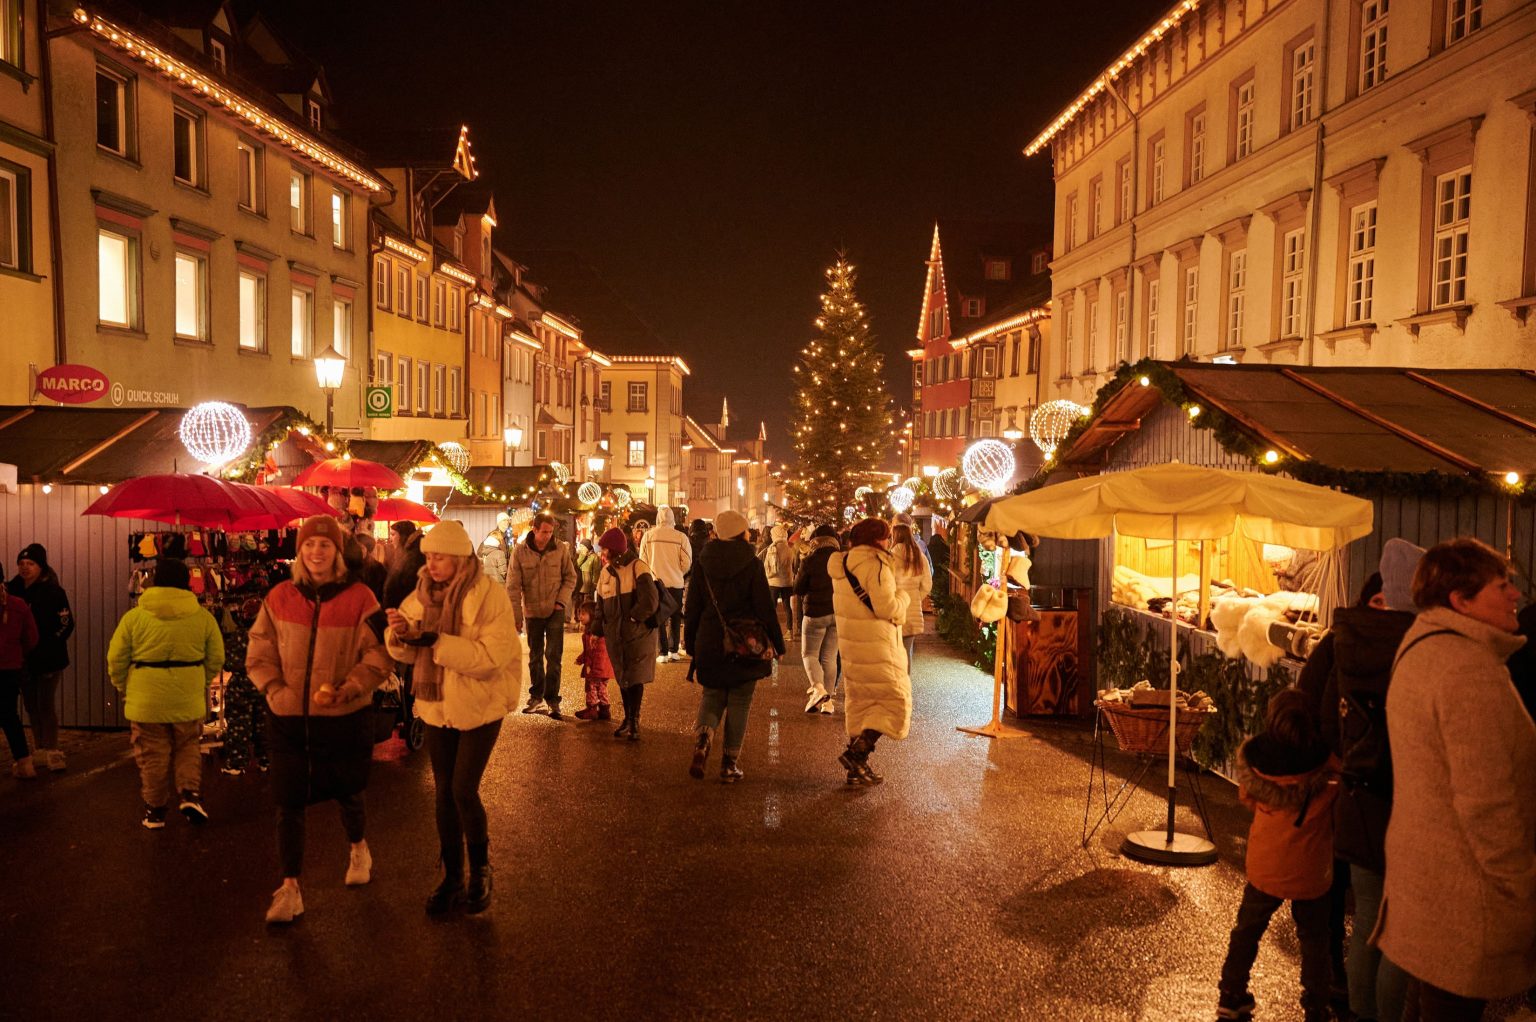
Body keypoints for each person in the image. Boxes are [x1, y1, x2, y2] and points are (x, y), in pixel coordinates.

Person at [1378, 537, 1535, 1018]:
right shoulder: (1469, 671)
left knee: (1423, 1004)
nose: (1515, 595)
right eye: (1501, 586)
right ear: (1460, 601)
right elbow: (1487, 806)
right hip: (1466, 900)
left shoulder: (1423, 644)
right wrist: (1524, 889)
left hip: (1425, 884)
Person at [246, 515, 392, 926]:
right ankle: (290, 887)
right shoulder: (279, 597)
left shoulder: (361, 597)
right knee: (287, 802)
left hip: (342, 715)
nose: (316, 552)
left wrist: (352, 687)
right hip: (287, 717)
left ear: (337, 552)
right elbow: (259, 647)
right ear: (300, 550)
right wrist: (273, 688)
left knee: (349, 791)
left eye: (325, 545)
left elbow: (380, 653)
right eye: (310, 545)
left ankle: (358, 846)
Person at [1295, 557, 1418, 1022]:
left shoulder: (1354, 643)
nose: (1383, 610)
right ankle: (1338, 989)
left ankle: (1342, 991)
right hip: (1359, 793)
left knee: (1364, 908)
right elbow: (1319, 709)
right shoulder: (1378, 648)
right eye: (1377, 600)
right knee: (1367, 912)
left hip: (1350, 792)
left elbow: (1317, 705)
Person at [385, 520, 521, 916]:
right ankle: (451, 875)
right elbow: (408, 650)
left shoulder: (489, 595)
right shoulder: (422, 592)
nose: (432, 563)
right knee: (443, 791)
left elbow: (493, 658)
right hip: (437, 702)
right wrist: (401, 635)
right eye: (428, 556)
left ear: (460, 557)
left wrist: (435, 642)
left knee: (463, 789)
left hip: (482, 703)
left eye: (439, 556)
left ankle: (480, 870)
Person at [1215, 688, 1340, 1022]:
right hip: (1311, 872)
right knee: (1315, 939)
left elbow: (1248, 798)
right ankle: (1316, 1005)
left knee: (1247, 930)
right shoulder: (1327, 765)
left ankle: (1231, 993)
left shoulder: (1257, 763)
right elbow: (1340, 791)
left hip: (1265, 865)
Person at [106, 559, 224, 829]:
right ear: (186, 582)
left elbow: (116, 658)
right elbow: (216, 657)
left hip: (146, 699)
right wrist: (200, 682)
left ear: (155, 581)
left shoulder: (134, 617)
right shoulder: (203, 617)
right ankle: (189, 793)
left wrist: (125, 686)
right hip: (187, 697)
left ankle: (155, 810)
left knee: (152, 755)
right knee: (187, 747)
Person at [683, 509, 784, 782]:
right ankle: (729, 765)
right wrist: (777, 643)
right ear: (741, 532)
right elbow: (765, 607)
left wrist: (690, 642)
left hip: (710, 639)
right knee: (740, 700)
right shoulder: (751, 563)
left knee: (712, 695)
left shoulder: (704, 562)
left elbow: (692, 607)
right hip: (745, 644)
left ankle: (704, 738)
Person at [828, 518, 910, 785]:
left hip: (853, 646)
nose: (889, 542)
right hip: (877, 646)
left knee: (861, 703)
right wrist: (904, 599)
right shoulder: (875, 564)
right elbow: (887, 608)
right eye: (886, 537)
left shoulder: (843, 563)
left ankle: (857, 770)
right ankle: (856, 755)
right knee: (893, 700)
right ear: (877, 540)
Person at [7, 543, 74, 772]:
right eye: (21, 563)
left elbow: (66, 624)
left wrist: (49, 645)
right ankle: (39, 749)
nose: (25, 568)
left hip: (49, 658)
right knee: (31, 705)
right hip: (24, 659)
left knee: (45, 703)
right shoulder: (12, 589)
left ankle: (52, 749)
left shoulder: (54, 591)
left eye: (31, 564)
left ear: (41, 566)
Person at [506, 512, 577, 720]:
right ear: (534, 529)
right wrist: (516, 616)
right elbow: (512, 586)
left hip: (555, 609)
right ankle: (536, 695)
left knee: (554, 656)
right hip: (532, 611)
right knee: (535, 656)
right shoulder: (520, 552)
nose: (548, 536)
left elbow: (570, 577)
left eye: (550, 532)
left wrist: (561, 602)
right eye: (544, 532)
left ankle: (553, 698)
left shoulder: (560, 549)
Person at [593, 527, 658, 740]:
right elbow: (600, 605)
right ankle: (628, 718)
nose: (602, 553)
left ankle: (635, 721)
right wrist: (596, 630)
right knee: (622, 676)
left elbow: (650, 600)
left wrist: (633, 618)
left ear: (614, 549)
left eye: (605, 549)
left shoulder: (638, 567)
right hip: (615, 635)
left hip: (636, 633)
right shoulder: (605, 572)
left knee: (635, 675)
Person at [794, 525, 841, 715]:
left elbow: (798, 588)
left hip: (814, 614)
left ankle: (818, 688)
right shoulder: (842, 560)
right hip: (837, 612)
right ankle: (828, 704)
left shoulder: (810, 560)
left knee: (810, 655)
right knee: (830, 657)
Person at [639, 505, 693, 663]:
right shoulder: (680, 537)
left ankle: (662, 652)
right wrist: (678, 572)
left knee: (659, 617)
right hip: (676, 582)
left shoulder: (648, 536)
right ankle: (673, 650)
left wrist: (652, 574)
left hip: (656, 582)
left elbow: (643, 560)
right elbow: (687, 561)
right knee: (676, 616)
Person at [1, 585, 38, 778]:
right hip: (10, 667)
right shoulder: (18, 605)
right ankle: (25, 763)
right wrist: (17, 654)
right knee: (9, 716)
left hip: (9, 665)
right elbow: (31, 637)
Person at [890, 522, 932, 672]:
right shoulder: (920, 558)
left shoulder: (890, 557)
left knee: (891, 652)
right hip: (913, 610)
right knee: (907, 651)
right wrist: (915, 597)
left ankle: (893, 686)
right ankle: (905, 686)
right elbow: (927, 585)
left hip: (893, 609)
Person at [573, 600, 614, 721]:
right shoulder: (594, 633)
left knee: (591, 686)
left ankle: (591, 709)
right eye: (580, 613)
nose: (580, 616)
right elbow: (589, 651)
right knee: (601, 688)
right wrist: (581, 658)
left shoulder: (594, 635)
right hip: (602, 666)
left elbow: (596, 653)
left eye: (583, 614)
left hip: (597, 666)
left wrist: (589, 665)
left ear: (592, 615)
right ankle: (604, 710)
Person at [763, 524, 796, 641]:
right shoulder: (789, 549)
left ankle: (770, 631)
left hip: (773, 582)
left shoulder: (771, 548)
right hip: (787, 582)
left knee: (772, 607)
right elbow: (794, 565)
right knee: (788, 607)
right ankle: (789, 631)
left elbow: (767, 566)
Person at [382, 524, 425, 612]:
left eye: (393, 534)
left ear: (403, 536)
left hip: (405, 609)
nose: (391, 538)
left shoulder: (414, 555)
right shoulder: (406, 551)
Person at [344, 535, 388, 604]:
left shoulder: (377, 568)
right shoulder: (349, 566)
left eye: (361, 548)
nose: (358, 551)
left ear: (368, 550)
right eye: (356, 547)